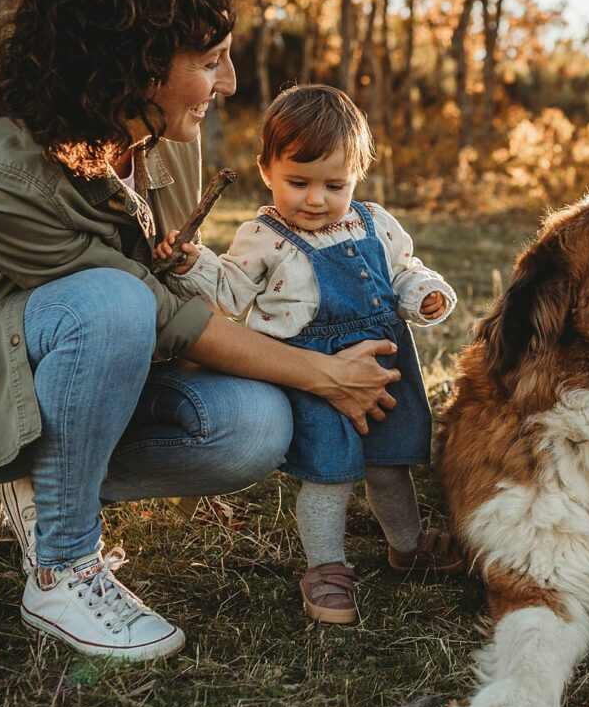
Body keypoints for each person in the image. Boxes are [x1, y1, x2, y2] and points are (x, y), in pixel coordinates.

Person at [0, 0, 400, 662]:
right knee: (110, 303)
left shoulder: (157, 137)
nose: (232, 83)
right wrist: (325, 376)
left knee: (254, 428)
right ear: (134, 61)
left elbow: (183, 296)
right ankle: (61, 566)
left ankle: (49, 479)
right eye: (211, 59)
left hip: (102, 363)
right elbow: (154, 315)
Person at [155, 84, 461, 624]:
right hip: (311, 374)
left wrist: (423, 294)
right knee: (329, 472)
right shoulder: (263, 237)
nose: (315, 199)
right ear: (267, 170)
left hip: (383, 367)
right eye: (298, 182)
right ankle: (325, 566)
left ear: (357, 176)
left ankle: (408, 545)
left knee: (389, 466)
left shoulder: (375, 223)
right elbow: (228, 294)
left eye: (333, 185)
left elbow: (404, 270)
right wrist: (191, 264)